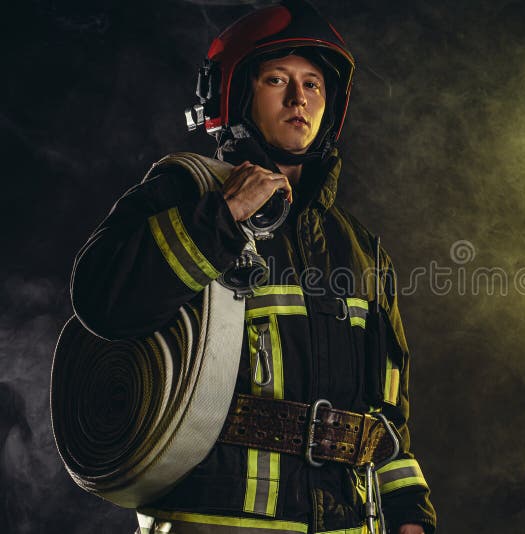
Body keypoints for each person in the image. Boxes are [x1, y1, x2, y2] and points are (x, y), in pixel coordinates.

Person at [69, 1, 437, 533]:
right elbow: (102, 303)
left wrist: (409, 513)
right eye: (276, 80)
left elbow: (387, 416)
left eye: (313, 84)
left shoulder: (358, 249)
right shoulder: (185, 196)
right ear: (236, 94)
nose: (299, 99)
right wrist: (220, 219)